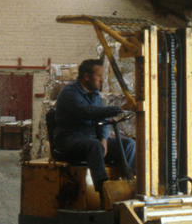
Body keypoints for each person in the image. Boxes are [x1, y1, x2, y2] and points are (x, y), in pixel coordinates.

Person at [53, 58, 135, 192]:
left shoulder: (95, 95)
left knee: (128, 144)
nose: (102, 80)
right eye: (99, 76)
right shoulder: (69, 93)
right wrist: (116, 109)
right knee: (94, 146)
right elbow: (87, 112)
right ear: (86, 77)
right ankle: (103, 190)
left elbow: (102, 120)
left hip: (91, 139)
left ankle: (128, 183)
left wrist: (104, 139)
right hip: (69, 140)